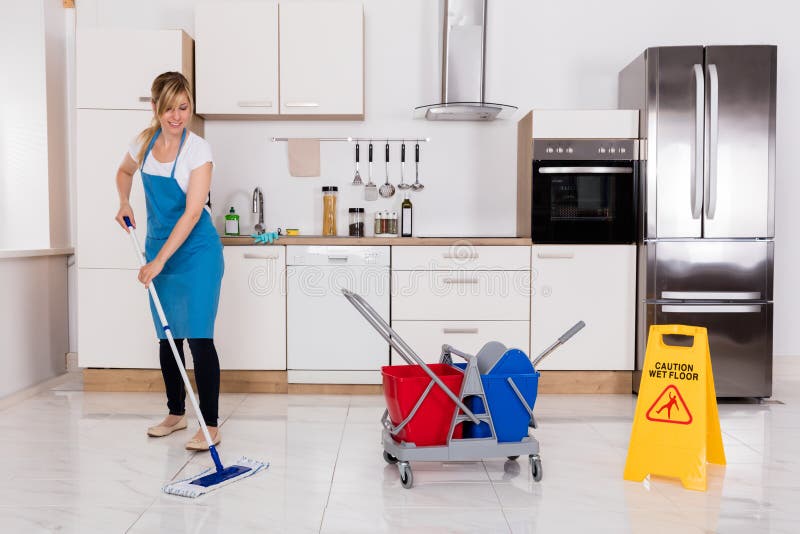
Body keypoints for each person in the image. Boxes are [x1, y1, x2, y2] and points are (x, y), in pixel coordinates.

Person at [114, 71, 224, 451]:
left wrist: (159, 261)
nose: (177, 116)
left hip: (195, 253)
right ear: (155, 108)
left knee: (198, 335)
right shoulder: (144, 143)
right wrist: (124, 201)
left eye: (184, 107)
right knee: (168, 335)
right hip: (158, 247)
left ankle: (209, 424)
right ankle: (176, 413)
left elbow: (193, 213)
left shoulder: (198, 150)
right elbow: (123, 172)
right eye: (169, 108)